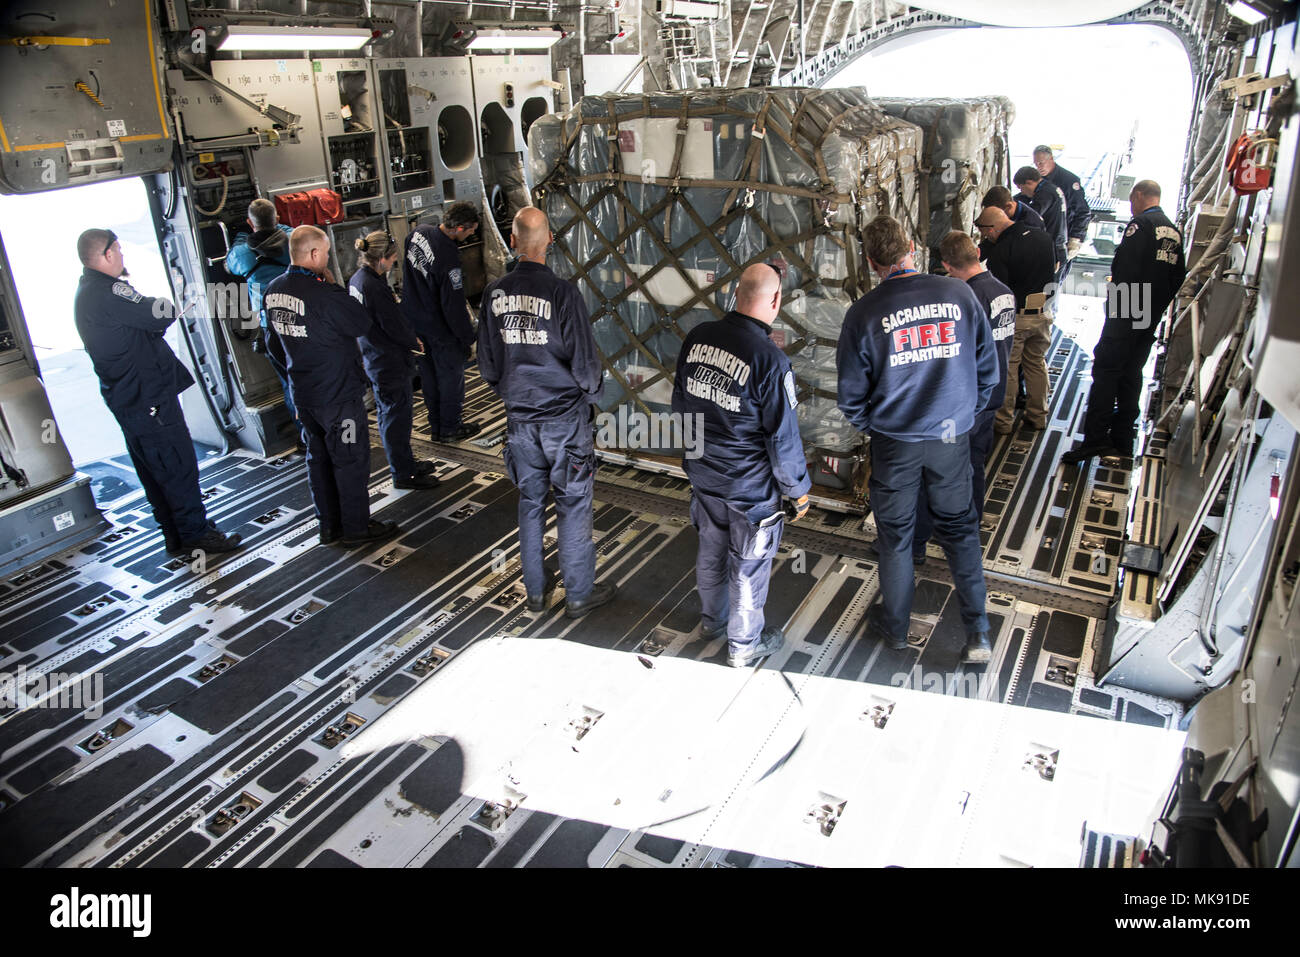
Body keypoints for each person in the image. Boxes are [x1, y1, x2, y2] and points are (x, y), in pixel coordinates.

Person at [836, 216, 998, 664]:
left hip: (896, 441)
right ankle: (978, 633)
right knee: (961, 531)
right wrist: (962, 412)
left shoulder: (864, 313)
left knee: (897, 537)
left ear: (871, 262)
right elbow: (988, 372)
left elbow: (850, 397)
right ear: (911, 246)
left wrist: (879, 424)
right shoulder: (959, 294)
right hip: (951, 437)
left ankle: (897, 629)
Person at [478, 207, 616, 618]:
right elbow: (585, 365)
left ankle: (535, 594)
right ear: (550, 239)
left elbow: (487, 364)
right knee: (573, 504)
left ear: (514, 241)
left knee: (530, 501)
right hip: (564, 421)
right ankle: (577, 595)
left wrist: (515, 394)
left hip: (520, 421)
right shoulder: (562, 293)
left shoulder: (494, 294)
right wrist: (592, 398)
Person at [671, 264, 811, 668]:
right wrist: (798, 490)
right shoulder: (770, 361)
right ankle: (744, 647)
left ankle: (712, 623)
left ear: (735, 293)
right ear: (775, 300)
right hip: (749, 492)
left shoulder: (698, 338)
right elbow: (782, 440)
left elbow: (681, 405)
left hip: (705, 475)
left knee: (711, 552)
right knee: (749, 567)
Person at [74, 228, 242, 556]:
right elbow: (158, 312)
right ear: (107, 255)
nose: (122, 256)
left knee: (155, 470)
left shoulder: (88, 293)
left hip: (129, 399)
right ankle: (196, 534)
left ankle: (175, 535)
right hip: (149, 399)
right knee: (176, 464)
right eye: (118, 250)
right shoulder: (110, 292)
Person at [264, 226, 399, 547]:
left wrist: (295, 378)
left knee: (319, 459)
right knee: (350, 460)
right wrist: (334, 284)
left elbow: (272, 346)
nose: (327, 259)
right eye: (324, 254)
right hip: (338, 398)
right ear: (313, 255)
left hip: (304, 397)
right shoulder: (325, 294)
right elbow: (360, 323)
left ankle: (329, 527)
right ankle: (355, 529)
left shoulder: (273, 291)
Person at [1063, 180, 1187, 463]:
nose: (1131, 206)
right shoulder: (1174, 232)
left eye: (1132, 199)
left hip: (1126, 314)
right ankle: (1122, 441)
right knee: (1132, 377)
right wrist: (1154, 310)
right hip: (1149, 317)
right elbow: (1177, 278)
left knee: (1105, 374)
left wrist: (1116, 315)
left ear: (1140, 195)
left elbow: (1124, 273)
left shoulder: (1140, 226)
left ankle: (1094, 440)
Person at [913, 231, 1017, 560]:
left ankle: (922, 537)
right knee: (974, 463)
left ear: (946, 265)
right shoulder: (1003, 291)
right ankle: (966, 528)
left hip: (965, 401)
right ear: (977, 252)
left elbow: (955, 354)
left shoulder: (964, 299)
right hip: (993, 394)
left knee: (936, 469)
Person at [348, 231, 440, 490]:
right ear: (382, 259)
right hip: (388, 361)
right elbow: (393, 324)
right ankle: (403, 473)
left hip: (373, 356)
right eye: (393, 257)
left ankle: (405, 462)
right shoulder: (374, 287)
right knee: (396, 418)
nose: (395, 261)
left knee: (391, 414)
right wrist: (414, 342)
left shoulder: (357, 280)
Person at [401, 201, 483, 442]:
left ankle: (436, 423)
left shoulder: (417, 234)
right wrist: (467, 338)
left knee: (429, 377)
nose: (471, 235)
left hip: (415, 323)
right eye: (470, 230)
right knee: (449, 378)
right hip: (440, 329)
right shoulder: (447, 256)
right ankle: (450, 427)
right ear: (459, 227)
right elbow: (452, 305)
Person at [975, 206, 1058, 435]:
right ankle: (1038, 416)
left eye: (984, 232)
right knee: (1036, 363)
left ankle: (1003, 422)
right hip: (1043, 312)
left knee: (1009, 368)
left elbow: (1000, 290)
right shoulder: (1043, 237)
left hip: (1018, 317)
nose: (985, 237)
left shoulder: (1002, 251)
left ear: (991, 229)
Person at [225, 198, 297, 429]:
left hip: (271, 326)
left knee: (289, 383)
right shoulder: (293, 240)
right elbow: (290, 233)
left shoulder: (242, 253)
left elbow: (229, 265)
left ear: (249, 222)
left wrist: (240, 237)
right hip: (300, 318)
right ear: (276, 218)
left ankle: (306, 436)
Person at [1033, 145, 1093, 281]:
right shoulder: (1037, 180)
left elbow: (1083, 212)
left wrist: (1076, 239)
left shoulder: (1068, 180)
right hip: (1044, 237)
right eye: (1036, 164)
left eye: (1041, 163)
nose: (1039, 167)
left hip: (1062, 239)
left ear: (1051, 159)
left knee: (1052, 282)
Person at [1013, 165, 1069, 281]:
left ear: (1029, 183)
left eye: (1021, 188)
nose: (1022, 192)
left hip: (1053, 251)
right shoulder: (1050, 188)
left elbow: (1032, 216)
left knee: (1043, 293)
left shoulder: (1045, 195)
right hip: (1057, 246)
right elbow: (1021, 199)